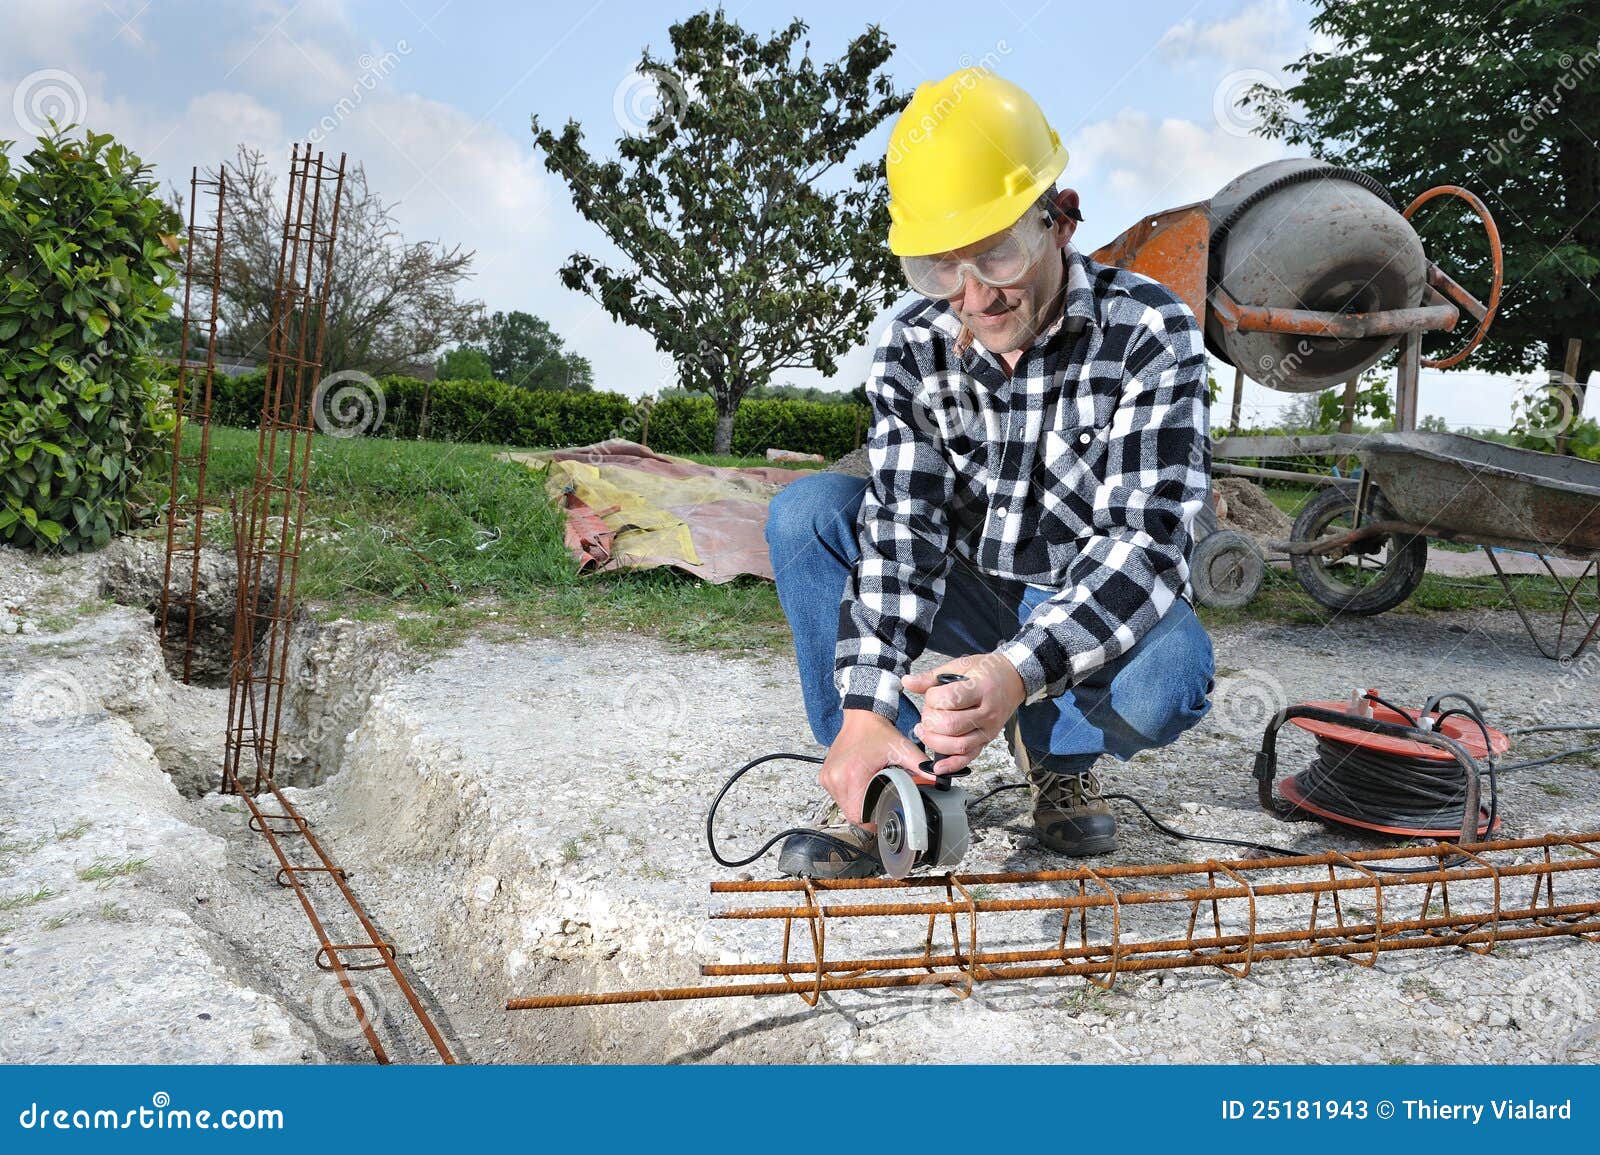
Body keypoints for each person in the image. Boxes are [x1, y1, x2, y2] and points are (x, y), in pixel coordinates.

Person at [764, 69, 1215, 878]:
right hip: (965, 590)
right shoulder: (915, 346)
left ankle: (1058, 759)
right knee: (807, 514)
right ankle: (878, 769)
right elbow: (901, 533)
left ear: (1059, 221)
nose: (975, 296)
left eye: (997, 253)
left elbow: (1146, 546)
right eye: (942, 268)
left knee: (1170, 675)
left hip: (1074, 593)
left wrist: (1013, 672)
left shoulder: (1148, 330)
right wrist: (866, 702)